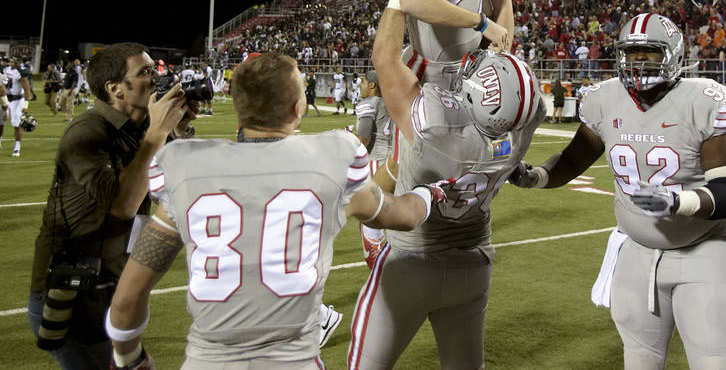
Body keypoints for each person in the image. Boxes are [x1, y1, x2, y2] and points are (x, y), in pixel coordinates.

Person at [105, 52, 445, 370]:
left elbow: (125, 302)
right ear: (299, 108)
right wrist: (430, 192)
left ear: (238, 108)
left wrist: (130, 359)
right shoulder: (333, 160)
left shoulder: (184, 166)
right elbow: (404, 216)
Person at [510, 12, 726, 369]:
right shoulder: (605, 98)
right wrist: (537, 176)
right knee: (639, 360)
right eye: (630, 52)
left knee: (716, 361)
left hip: (702, 255)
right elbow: (574, 161)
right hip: (635, 254)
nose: (636, 61)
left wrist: (677, 202)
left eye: (649, 52)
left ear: (673, 55)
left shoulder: (705, 101)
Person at [348, 1, 543, 370]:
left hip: (412, 263)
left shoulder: (434, 125)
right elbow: (508, 76)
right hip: (473, 266)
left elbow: (384, 59)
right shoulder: (520, 131)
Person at [28, 43, 194, 369]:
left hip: (109, 292)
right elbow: (123, 206)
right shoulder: (86, 132)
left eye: (154, 69)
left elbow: (185, 184)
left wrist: (178, 132)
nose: (156, 78)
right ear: (115, 88)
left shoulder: (140, 129)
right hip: (71, 296)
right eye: (145, 72)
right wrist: (157, 134)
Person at [354, 69, 401, 269]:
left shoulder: (368, 104)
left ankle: (383, 273)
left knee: (370, 229)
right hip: (395, 166)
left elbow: (363, 140)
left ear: (372, 85)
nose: (361, 85)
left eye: (363, 82)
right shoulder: (392, 103)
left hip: (376, 167)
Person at [2, 55, 34, 157]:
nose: (13, 64)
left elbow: (27, 89)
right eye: (12, 62)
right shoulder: (4, 69)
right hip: (4, 98)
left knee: (16, 124)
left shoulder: (21, 72)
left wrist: (26, 105)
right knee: (0, 122)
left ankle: (17, 148)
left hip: (16, 100)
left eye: (16, 62)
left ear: (20, 63)